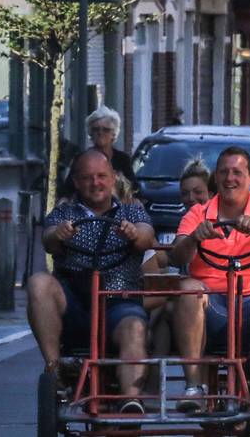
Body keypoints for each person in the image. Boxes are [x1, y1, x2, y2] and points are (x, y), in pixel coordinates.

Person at [26, 150, 155, 415]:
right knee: (39, 282)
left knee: (134, 326)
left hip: (119, 301)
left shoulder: (132, 210)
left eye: (101, 176)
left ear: (113, 179)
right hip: (75, 301)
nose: (95, 183)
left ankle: (131, 400)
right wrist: (58, 235)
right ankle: (55, 370)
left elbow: (147, 237)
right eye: (87, 178)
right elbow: (48, 240)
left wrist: (134, 233)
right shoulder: (64, 212)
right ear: (76, 182)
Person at [170, 147, 250, 411]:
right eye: (224, 172)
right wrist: (194, 238)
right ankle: (194, 387)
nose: (229, 178)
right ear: (216, 177)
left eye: (237, 172)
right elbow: (177, 256)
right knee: (188, 288)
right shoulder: (198, 213)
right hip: (212, 306)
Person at [60, 106, 136, 200]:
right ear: (90, 134)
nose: (100, 133)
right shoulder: (81, 159)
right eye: (96, 129)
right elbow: (68, 190)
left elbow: (134, 188)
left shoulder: (122, 159)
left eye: (106, 130)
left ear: (114, 134)